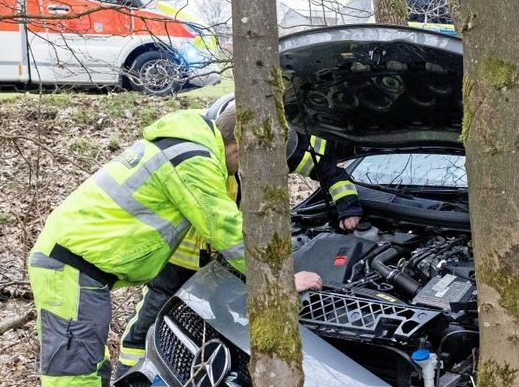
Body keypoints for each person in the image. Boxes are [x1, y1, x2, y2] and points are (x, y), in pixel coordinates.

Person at [25, 105, 324, 387]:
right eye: (245, 160)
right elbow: (226, 228)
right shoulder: (193, 159)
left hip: (91, 271)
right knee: (75, 380)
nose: (242, 170)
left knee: (88, 374)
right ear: (239, 146)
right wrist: (279, 281)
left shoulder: (193, 146)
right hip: (81, 268)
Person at [116, 129, 363, 371]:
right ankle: (137, 385)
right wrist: (281, 281)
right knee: (147, 333)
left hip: (223, 260)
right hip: (180, 261)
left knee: (203, 340)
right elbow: (224, 230)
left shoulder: (268, 132)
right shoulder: (200, 161)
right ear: (234, 145)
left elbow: (322, 163)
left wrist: (348, 204)